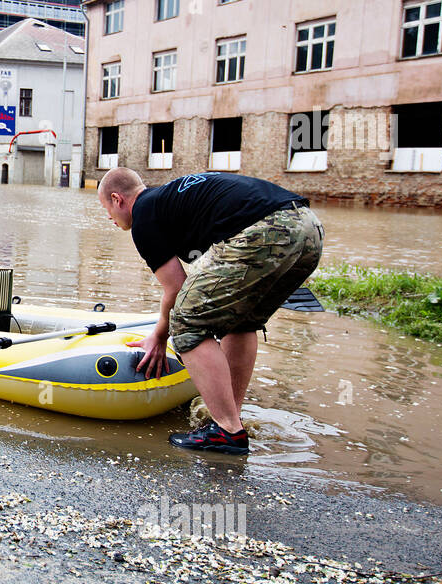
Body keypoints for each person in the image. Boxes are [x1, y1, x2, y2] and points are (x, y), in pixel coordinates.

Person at [97, 167, 323, 454]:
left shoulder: (144, 215)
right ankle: (230, 420)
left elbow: (176, 288)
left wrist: (160, 336)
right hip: (309, 228)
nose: (109, 218)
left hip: (268, 230)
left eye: (106, 208)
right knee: (240, 321)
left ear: (118, 200)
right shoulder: (167, 201)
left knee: (186, 321)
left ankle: (227, 430)